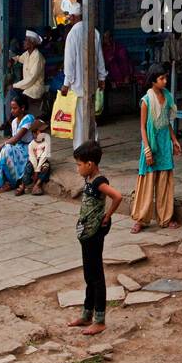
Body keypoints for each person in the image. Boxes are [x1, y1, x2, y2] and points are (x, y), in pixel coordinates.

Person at [68, 140, 122, 337]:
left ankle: (99, 320)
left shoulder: (99, 181)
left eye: (79, 164)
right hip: (86, 233)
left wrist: (107, 217)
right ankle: (86, 314)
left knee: (96, 276)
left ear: (90, 164)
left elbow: (117, 196)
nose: (78, 168)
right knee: (89, 275)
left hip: (94, 233)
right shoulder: (89, 179)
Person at [131, 64, 181, 233]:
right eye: (162, 79)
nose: (165, 81)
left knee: (164, 181)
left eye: (165, 78)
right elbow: (143, 128)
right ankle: (140, 218)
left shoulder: (167, 97)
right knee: (147, 180)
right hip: (151, 143)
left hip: (164, 142)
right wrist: (147, 150)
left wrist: (174, 140)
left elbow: (167, 123)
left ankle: (165, 217)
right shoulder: (146, 101)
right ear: (153, 80)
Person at [59, 0, 107, 148]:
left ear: (73, 17)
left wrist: (66, 83)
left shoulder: (72, 34)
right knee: (91, 115)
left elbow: (69, 62)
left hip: (77, 84)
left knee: (79, 118)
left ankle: (81, 146)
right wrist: (101, 77)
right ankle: (94, 142)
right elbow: (100, 57)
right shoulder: (95, 32)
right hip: (91, 82)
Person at [0, 93, 35, 192]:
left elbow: (16, 138)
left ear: (22, 108)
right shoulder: (14, 122)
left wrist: (0, 146)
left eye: (14, 108)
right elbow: (13, 142)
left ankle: (9, 182)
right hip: (18, 148)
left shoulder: (29, 119)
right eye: (11, 108)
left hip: (27, 150)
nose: (12, 111)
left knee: (6, 149)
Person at [10, 30, 46, 118]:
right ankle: (12, 120)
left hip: (35, 87)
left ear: (32, 43)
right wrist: (12, 60)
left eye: (26, 40)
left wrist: (14, 85)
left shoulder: (37, 57)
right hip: (28, 86)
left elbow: (31, 79)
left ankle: (12, 121)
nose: (24, 42)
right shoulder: (27, 54)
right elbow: (19, 58)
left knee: (19, 100)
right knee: (11, 94)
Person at [19, 119, 52, 196]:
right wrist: (35, 168)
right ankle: (23, 185)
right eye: (41, 132)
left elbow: (44, 156)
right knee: (28, 167)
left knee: (46, 167)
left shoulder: (46, 143)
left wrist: (37, 170)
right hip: (33, 161)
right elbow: (32, 157)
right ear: (34, 133)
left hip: (42, 161)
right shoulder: (31, 145)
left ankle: (37, 184)